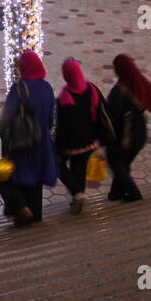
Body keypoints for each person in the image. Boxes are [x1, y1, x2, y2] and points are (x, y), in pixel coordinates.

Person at [0, 50, 59, 226]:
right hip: (41, 141)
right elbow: (51, 118)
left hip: (22, 142)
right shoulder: (47, 87)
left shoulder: (19, 89)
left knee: (5, 177)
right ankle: (35, 217)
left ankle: (21, 208)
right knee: (35, 179)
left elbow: (6, 118)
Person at [54, 59, 110, 215]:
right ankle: (78, 198)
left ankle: (76, 193)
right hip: (90, 141)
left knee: (57, 165)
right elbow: (103, 112)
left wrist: (59, 146)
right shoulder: (92, 89)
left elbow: (62, 127)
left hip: (72, 144)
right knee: (79, 169)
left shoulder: (65, 98)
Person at [105, 54, 151, 202]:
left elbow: (110, 116)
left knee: (117, 164)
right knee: (124, 163)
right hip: (140, 132)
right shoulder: (140, 82)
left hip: (125, 136)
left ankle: (133, 194)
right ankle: (115, 193)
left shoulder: (119, 91)